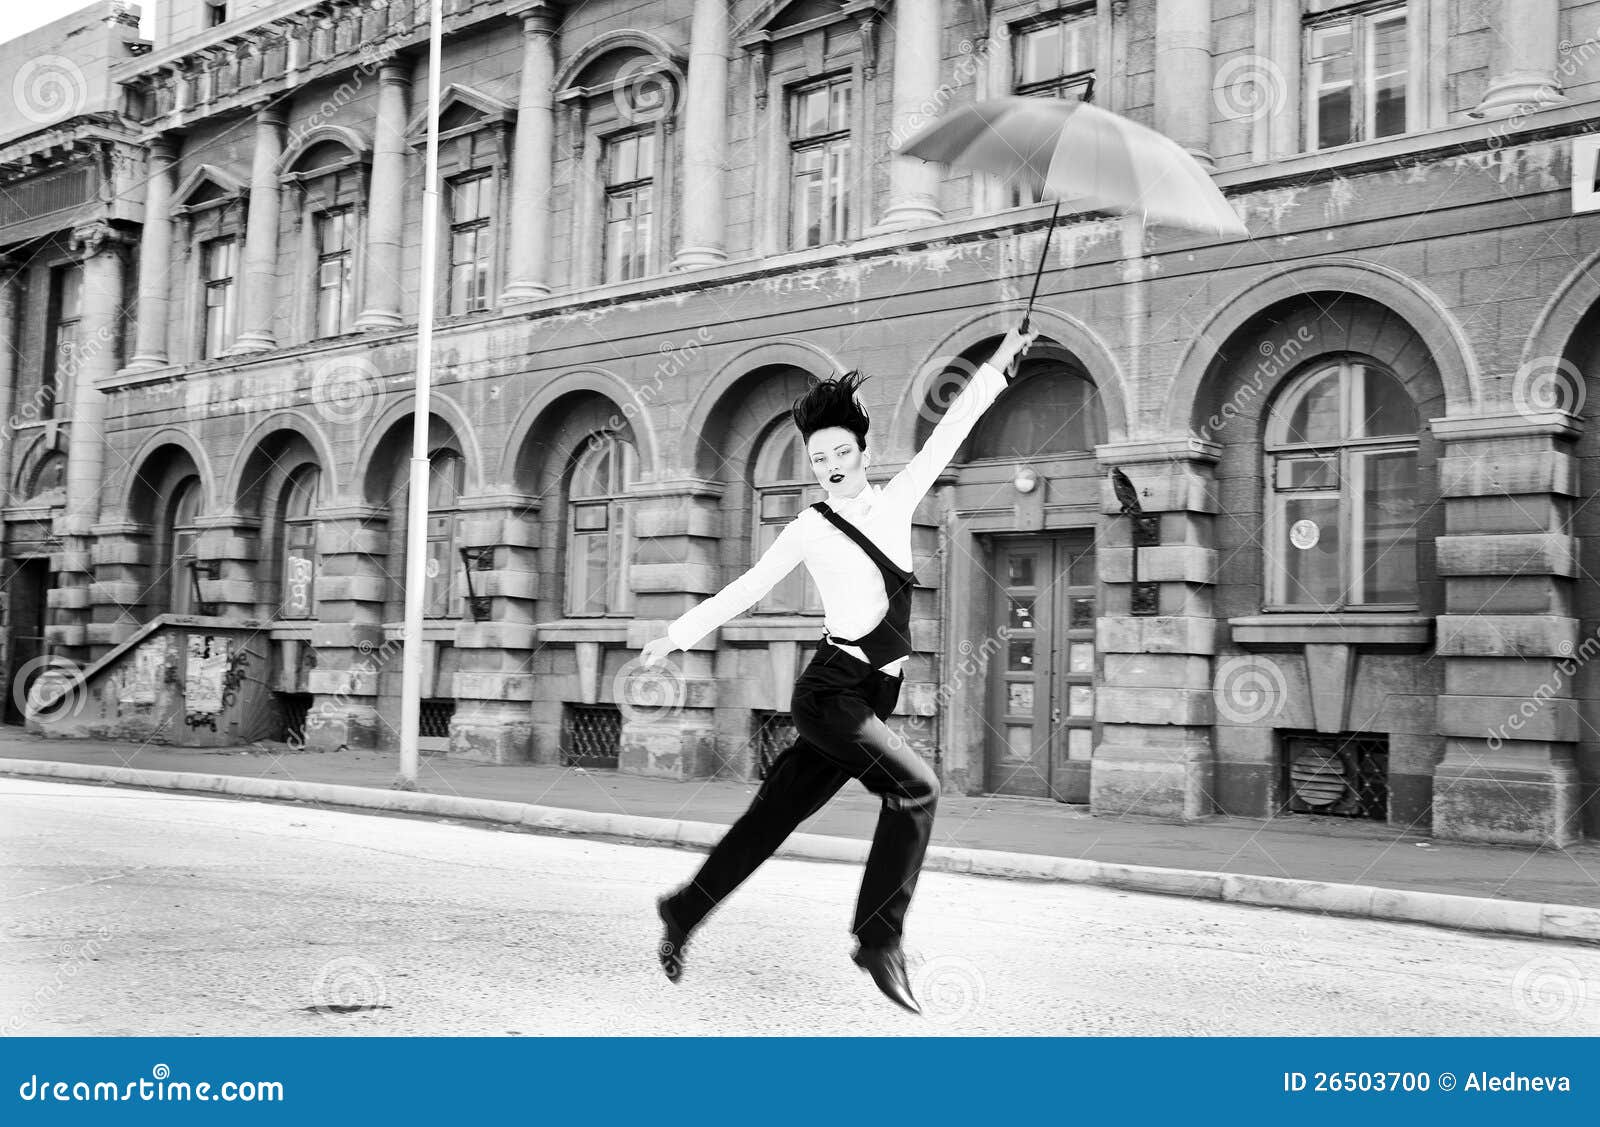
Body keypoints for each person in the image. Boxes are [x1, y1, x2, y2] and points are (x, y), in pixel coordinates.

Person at [640, 325, 1037, 1013]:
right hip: (831, 695)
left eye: (838, 451)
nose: (827, 463)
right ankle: (878, 939)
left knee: (769, 820)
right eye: (817, 454)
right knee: (916, 787)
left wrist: (1001, 364)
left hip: (870, 694)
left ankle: (681, 910)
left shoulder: (896, 499)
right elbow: (749, 587)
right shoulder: (808, 527)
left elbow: (951, 428)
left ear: (862, 450)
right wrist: (676, 633)